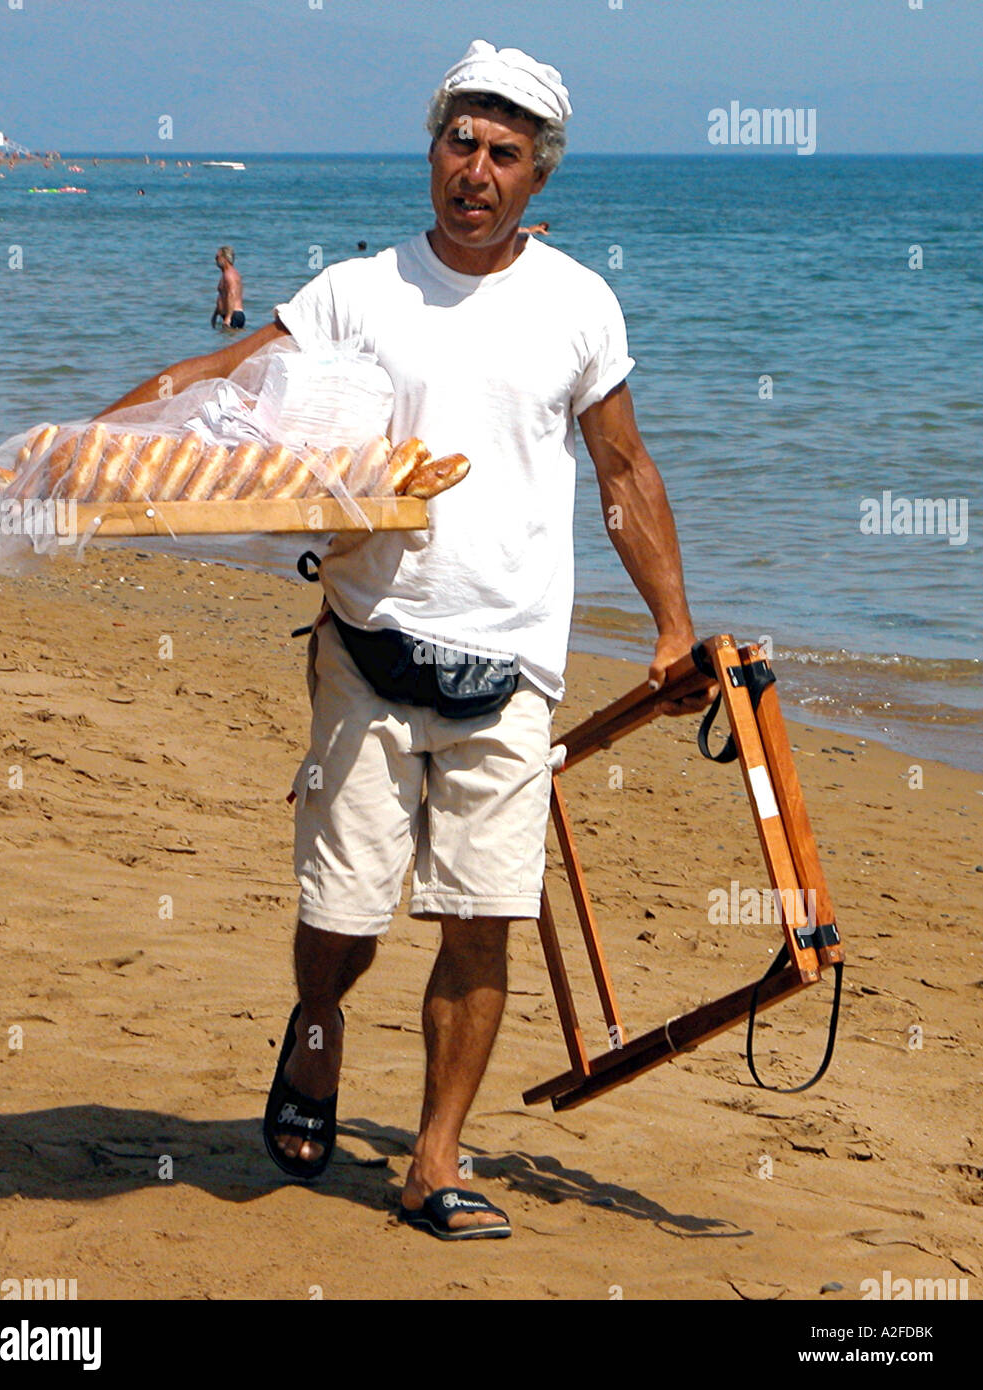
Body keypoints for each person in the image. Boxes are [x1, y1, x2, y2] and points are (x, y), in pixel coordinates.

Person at [97, 38, 708, 1239]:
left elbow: (623, 469)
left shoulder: (579, 303)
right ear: (431, 151)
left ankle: (433, 1157)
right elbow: (220, 384)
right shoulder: (354, 293)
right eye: (458, 143)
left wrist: (674, 627)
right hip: (368, 647)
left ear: (539, 177)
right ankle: (313, 1041)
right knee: (343, 913)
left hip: (513, 665)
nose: (474, 169)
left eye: (503, 153)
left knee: (481, 918)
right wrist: (83, 455)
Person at [211, 245, 245, 329]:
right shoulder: (226, 274)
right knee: (225, 341)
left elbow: (231, 295)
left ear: (225, 258)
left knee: (231, 341)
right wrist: (215, 315)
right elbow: (223, 296)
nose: (215, 259)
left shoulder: (229, 275)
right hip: (229, 315)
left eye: (217, 257)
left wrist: (228, 318)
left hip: (233, 315)